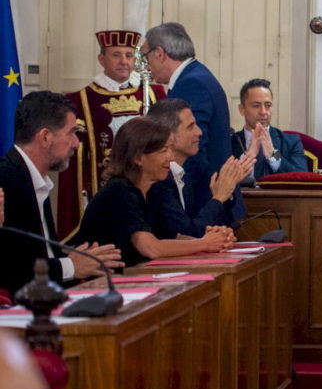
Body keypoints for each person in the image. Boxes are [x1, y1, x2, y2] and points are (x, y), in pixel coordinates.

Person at [0, 92, 123, 295]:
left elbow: (43, 257)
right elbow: (9, 268)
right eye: (71, 133)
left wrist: (82, 263)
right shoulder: (6, 180)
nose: (76, 142)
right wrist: (70, 266)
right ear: (46, 137)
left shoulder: (33, 176)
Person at [73, 118, 234, 267]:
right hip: (101, 285)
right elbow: (151, 248)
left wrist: (217, 241)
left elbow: (174, 237)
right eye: (164, 151)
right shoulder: (119, 190)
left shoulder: (153, 190)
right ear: (138, 158)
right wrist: (204, 243)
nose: (171, 158)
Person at [55, 29, 165, 238]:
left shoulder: (153, 94)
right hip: (105, 192)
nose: (124, 61)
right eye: (116, 55)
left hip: (149, 189)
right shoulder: (81, 100)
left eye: (129, 55)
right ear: (101, 59)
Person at [141, 22, 245, 218]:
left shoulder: (191, 83)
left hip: (203, 201)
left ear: (160, 53)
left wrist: (176, 200)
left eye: (146, 56)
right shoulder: (196, 75)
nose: (147, 65)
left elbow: (193, 149)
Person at [147, 98, 252, 238]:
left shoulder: (183, 175)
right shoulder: (159, 180)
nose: (199, 132)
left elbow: (201, 224)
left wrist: (226, 192)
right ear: (168, 134)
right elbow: (189, 234)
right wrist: (219, 197)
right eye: (190, 126)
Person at [230, 78, 307, 180]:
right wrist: (249, 157)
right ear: (242, 109)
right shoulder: (229, 142)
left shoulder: (291, 142)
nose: (263, 112)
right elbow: (219, 178)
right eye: (256, 105)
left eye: (268, 105)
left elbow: (302, 177)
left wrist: (273, 154)